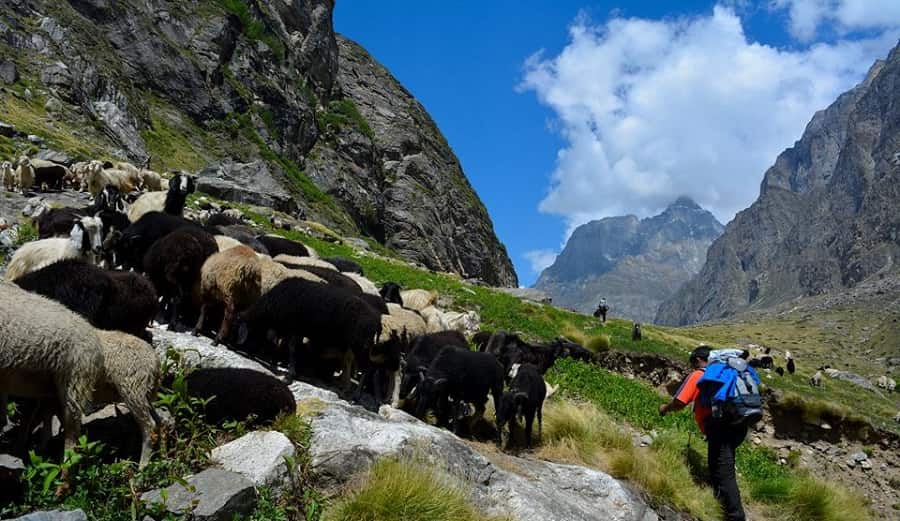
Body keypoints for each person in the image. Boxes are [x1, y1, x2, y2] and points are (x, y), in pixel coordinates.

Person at [659, 345, 747, 521]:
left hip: (720, 427)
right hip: (739, 424)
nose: (692, 365)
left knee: (724, 473)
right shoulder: (726, 373)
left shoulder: (700, 374)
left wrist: (664, 408)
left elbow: (680, 402)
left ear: (699, 359)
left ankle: (735, 516)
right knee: (718, 467)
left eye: (692, 361)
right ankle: (719, 504)